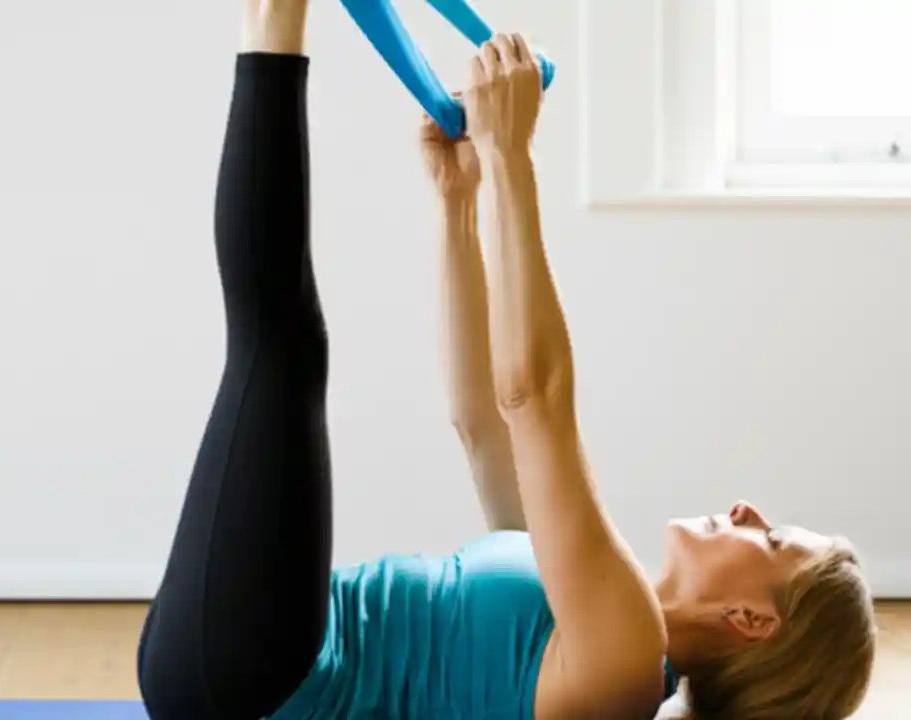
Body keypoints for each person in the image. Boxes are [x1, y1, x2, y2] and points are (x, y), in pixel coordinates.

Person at [136, 1, 878, 717]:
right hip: (241, 647)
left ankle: (274, 19)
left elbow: (537, 401)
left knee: (284, 349)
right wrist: (460, 202)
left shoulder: (623, 659)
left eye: (773, 540)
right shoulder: (603, 601)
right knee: (282, 348)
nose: (750, 512)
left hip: (259, 676)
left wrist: (514, 158)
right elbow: (484, 423)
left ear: (752, 621)